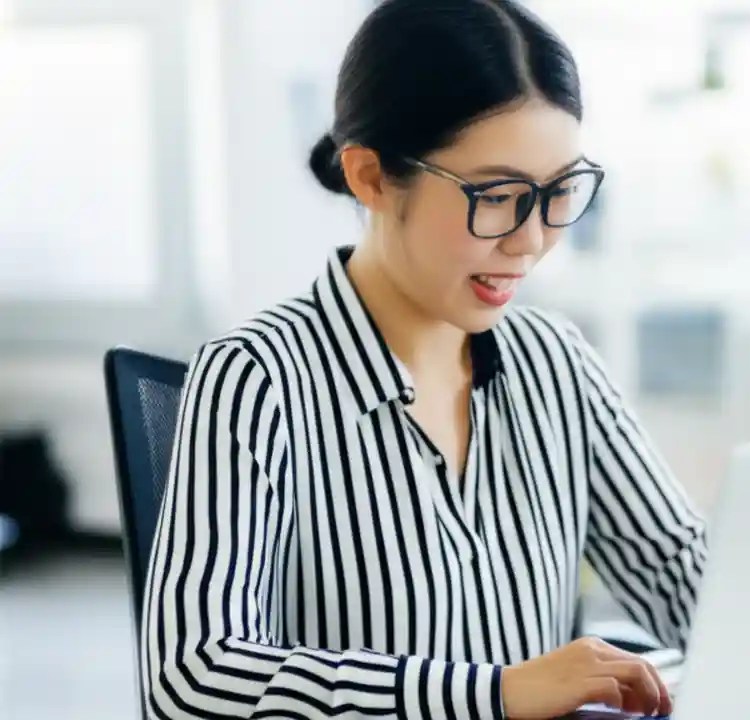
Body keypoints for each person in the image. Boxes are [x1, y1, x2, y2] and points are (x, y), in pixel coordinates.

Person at [141, 1, 707, 718]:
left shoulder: (557, 363)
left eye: (559, 192)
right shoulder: (258, 379)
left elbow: (685, 576)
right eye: (498, 197)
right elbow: (194, 677)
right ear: (371, 178)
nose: (531, 241)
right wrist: (493, 695)